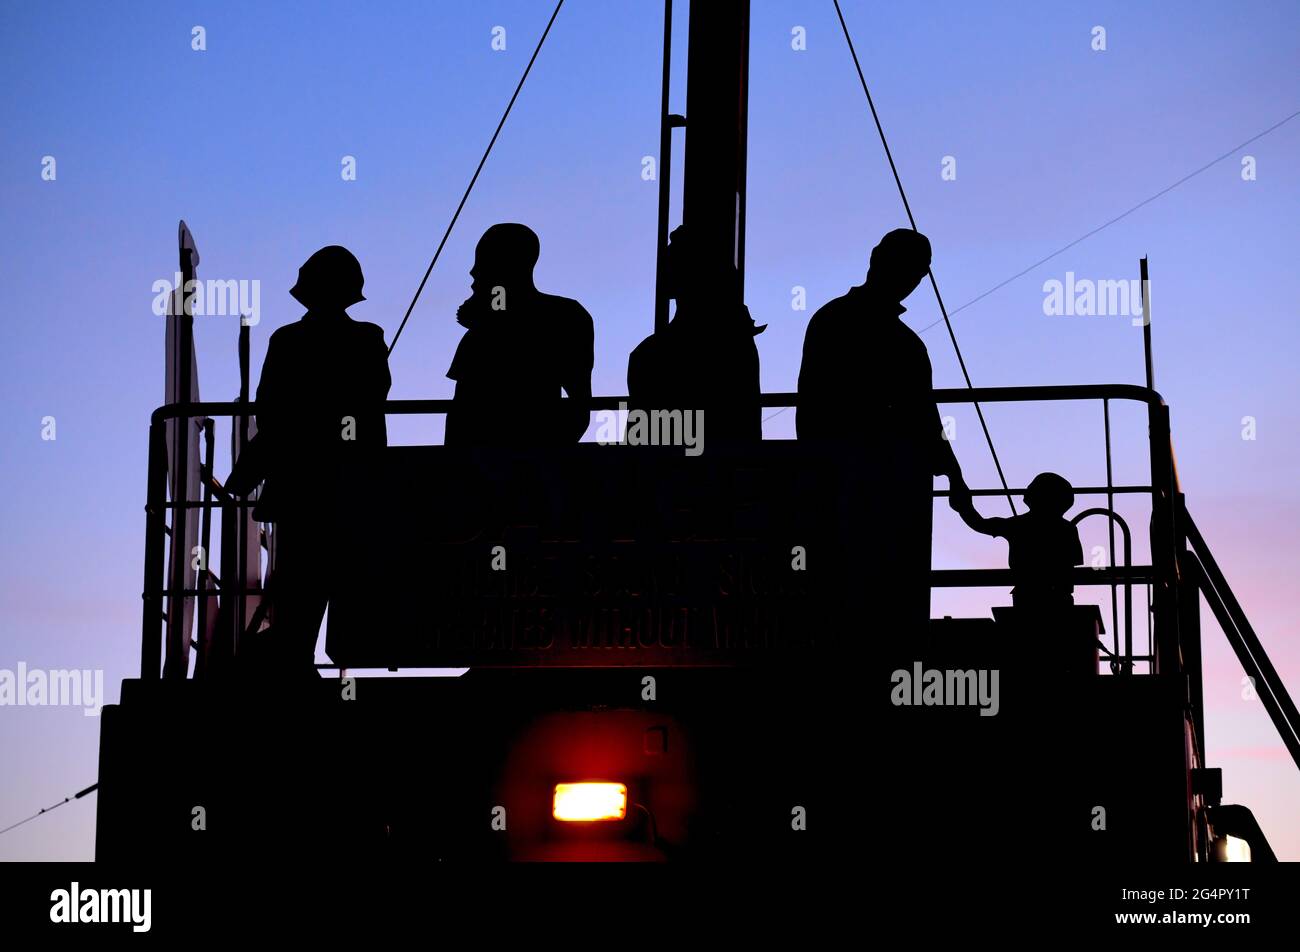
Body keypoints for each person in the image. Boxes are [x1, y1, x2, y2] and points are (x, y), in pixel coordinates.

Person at [795, 228, 961, 638]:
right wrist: (953, 474)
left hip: (854, 480)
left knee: (851, 590)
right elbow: (925, 417)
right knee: (877, 592)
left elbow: (924, 415)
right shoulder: (900, 343)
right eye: (912, 270)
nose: (912, 279)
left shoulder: (833, 321)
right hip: (876, 482)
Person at [232, 245, 391, 671]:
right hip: (351, 482)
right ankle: (305, 655)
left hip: (303, 481)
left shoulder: (288, 340)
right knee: (336, 573)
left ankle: (293, 655)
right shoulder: (368, 339)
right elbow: (373, 400)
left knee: (301, 574)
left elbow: (270, 411)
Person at [445, 223, 594, 446]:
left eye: (483, 262)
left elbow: (579, 405)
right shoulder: (567, 315)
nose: (473, 272)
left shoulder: (564, 316)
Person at [626, 225, 765, 445]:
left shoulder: (648, 355)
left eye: (672, 262)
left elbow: (642, 440)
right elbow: (746, 428)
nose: (664, 268)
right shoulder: (735, 345)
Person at [949, 471, 1083, 610]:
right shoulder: (1067, 529)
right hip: (1057, 598)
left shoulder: (1017, 525)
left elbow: (980, 524)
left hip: (1027, 595)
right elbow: (1072, 566)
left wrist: (964, 508)